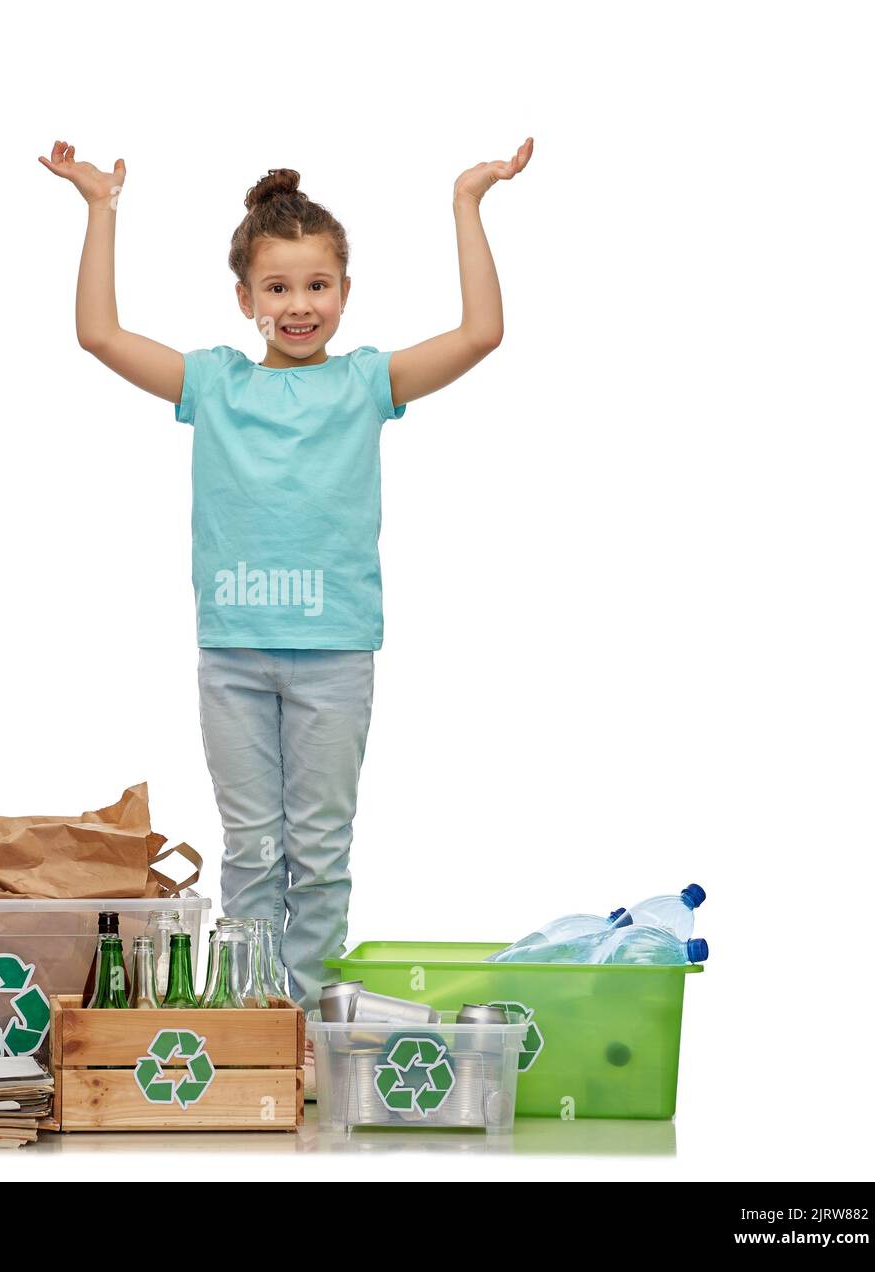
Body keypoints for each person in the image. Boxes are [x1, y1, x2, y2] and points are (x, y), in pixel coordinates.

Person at [40, 139, 533, 1032]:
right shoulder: (214, 385)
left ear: (345, 291)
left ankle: (308, 1030)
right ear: (245, 300)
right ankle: (254, 1023)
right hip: (234, 654)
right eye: (278, 288)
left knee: (320, 850)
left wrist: (469, 202)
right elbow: (99, 335)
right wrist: (100, 208)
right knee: (254, 854)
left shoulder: (366, 383)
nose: (299, 305)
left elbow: (481, 334)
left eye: (318, 285)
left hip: (336, 654)